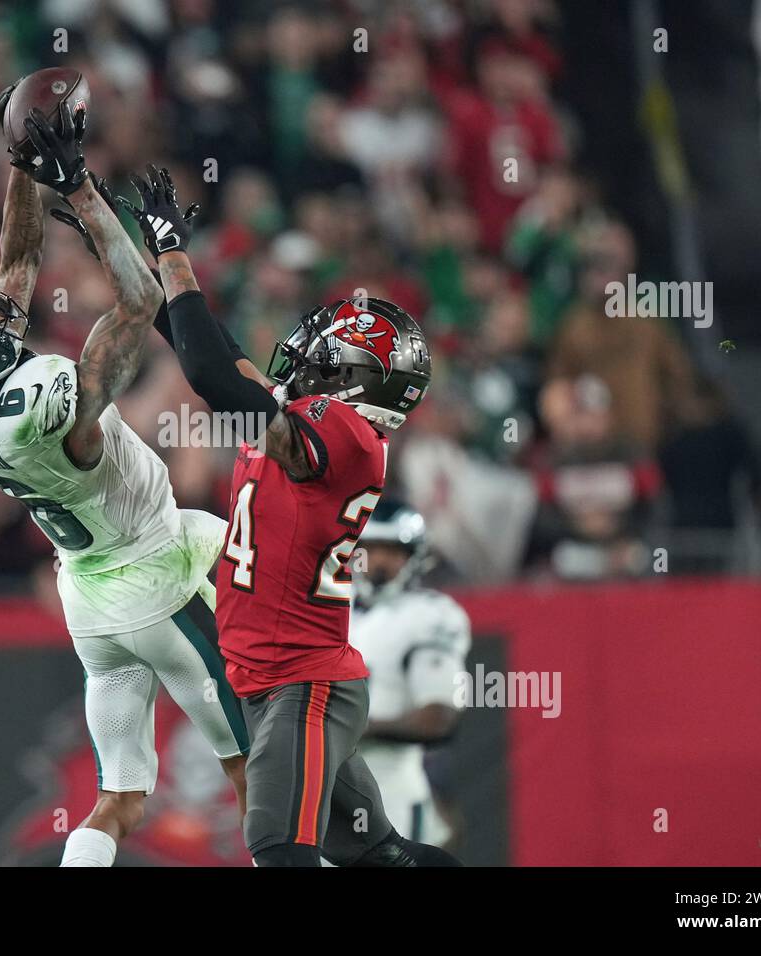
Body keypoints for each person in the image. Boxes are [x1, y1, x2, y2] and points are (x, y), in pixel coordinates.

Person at [0, 88, 248, 868]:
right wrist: (79, 185)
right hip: (158, 572)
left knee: (119, 799)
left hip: (91, 596)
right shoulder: (40, 406)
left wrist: (22, 165)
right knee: (255, 765)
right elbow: (141, 302)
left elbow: (15, 265)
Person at [120, 164, 458, 866]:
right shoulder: (317, 419)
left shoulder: (346, 436)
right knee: (381, 858)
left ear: (353, 378)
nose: (305, 351)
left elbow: (215, 379)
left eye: (327, 351)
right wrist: (107, 223)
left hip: (301, 681)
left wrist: (174, 251)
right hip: (275, 677)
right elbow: (191, 337)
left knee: (277, 847)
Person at [349, 498, 470, 848]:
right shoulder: (329, 611)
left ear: (414, 557)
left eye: (393, 551)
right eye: (372, 550)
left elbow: (438, 719)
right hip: (322, 789)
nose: (381, 563)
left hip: (391, 791)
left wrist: (354, 730)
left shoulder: (428, 615)